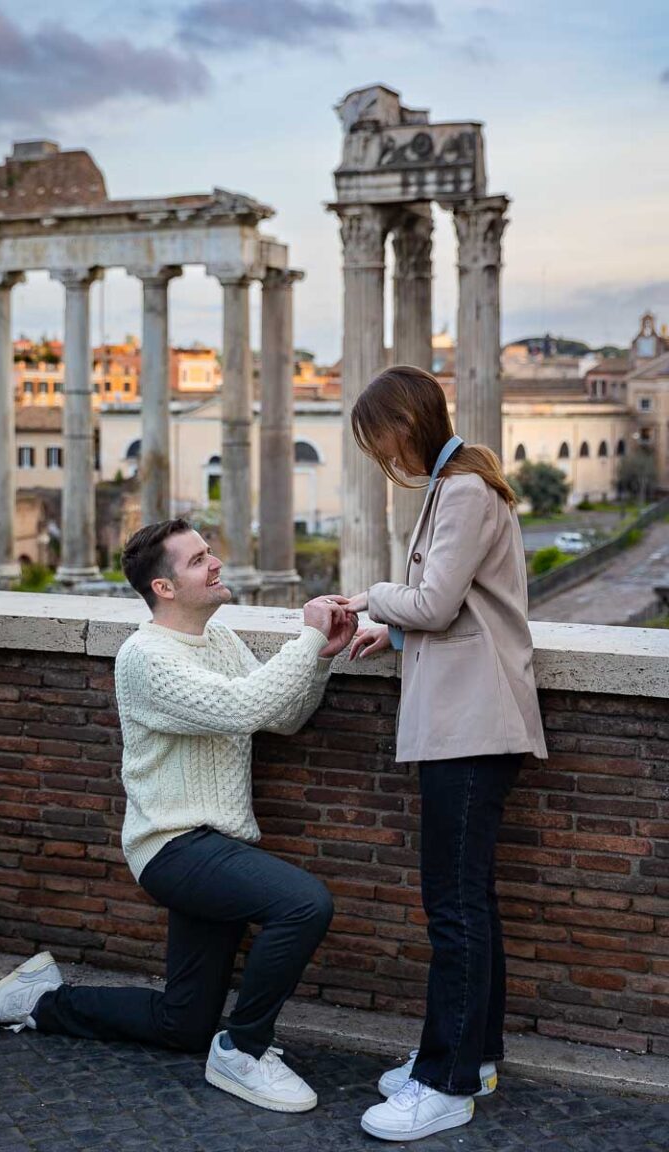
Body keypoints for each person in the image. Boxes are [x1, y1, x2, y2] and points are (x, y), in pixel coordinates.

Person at [0, 518, 358, 1114]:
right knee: (303, 904)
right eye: (198, 560)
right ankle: (244, 1051)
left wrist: (320, 657)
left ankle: (37, 1001)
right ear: (164, 587)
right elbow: (245, 704)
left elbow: (280, 717)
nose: (215, 562)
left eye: (208, 552)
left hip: (217, 846)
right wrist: (303, 639)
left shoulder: (218, 641)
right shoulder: (144, 657)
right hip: (173, 847)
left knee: (183, 1023)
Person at [342, 366, 547, 1143]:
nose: (382, 457)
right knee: (470, 905)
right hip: (472, 722)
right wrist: (389, 634)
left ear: (408, 423)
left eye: (381, 439)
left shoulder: (461, 490)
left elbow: (435, 601)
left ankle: (448, 1082)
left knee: (453, 909)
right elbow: (456, 609)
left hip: (472, 725)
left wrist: (370, 597)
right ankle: (474, 1059)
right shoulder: (458, 484)